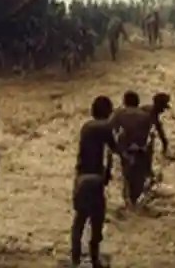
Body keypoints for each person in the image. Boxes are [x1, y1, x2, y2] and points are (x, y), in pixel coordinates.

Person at [72, 96, 118, 268]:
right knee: (97, 221)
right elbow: (115, 150)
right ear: (107, 111)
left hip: (81, 177)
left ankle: (75, 259)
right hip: (95, 179)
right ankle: (95, 259)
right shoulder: (105, 127)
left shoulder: (86, 127)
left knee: (79, 220)